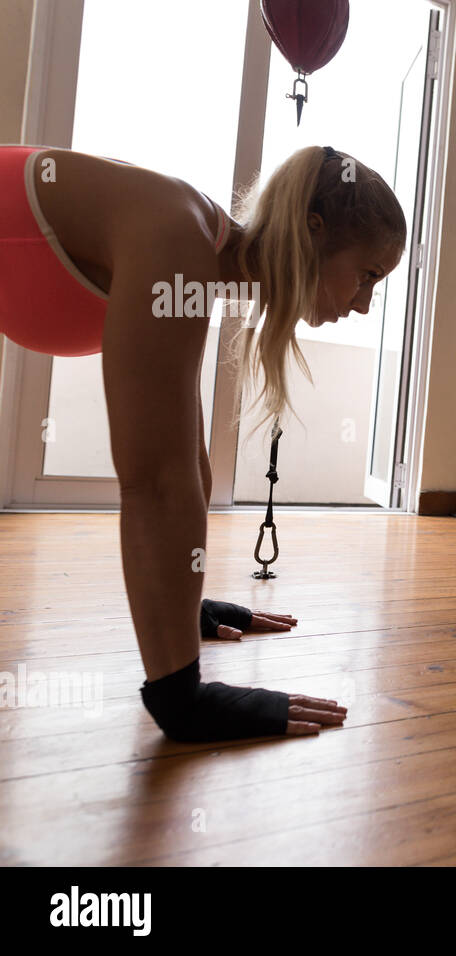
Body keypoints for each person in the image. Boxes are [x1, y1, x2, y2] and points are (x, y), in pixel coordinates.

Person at [0, 143, 406, 740]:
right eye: (368, 275)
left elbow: (188, 461)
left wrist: (185, 606)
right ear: (313, 232)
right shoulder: (178, 241)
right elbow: (154, 483)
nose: (367, 302)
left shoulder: (201, 255)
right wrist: (182, 695)